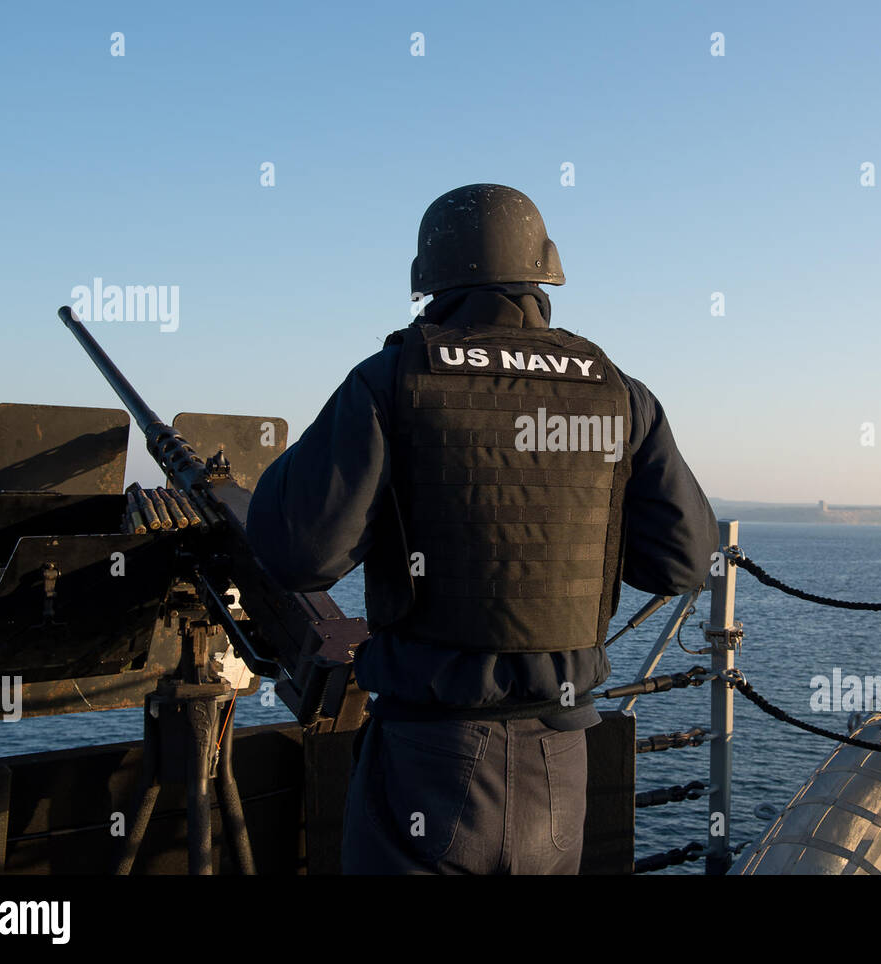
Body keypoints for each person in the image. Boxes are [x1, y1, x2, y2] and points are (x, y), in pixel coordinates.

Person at [245, 183, 718, 874]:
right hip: (562, 765)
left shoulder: (391, 380)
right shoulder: (619, 393)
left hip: (429, 758)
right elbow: (684, 562)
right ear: (542, 272)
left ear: (430, 278)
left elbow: (298, 555)